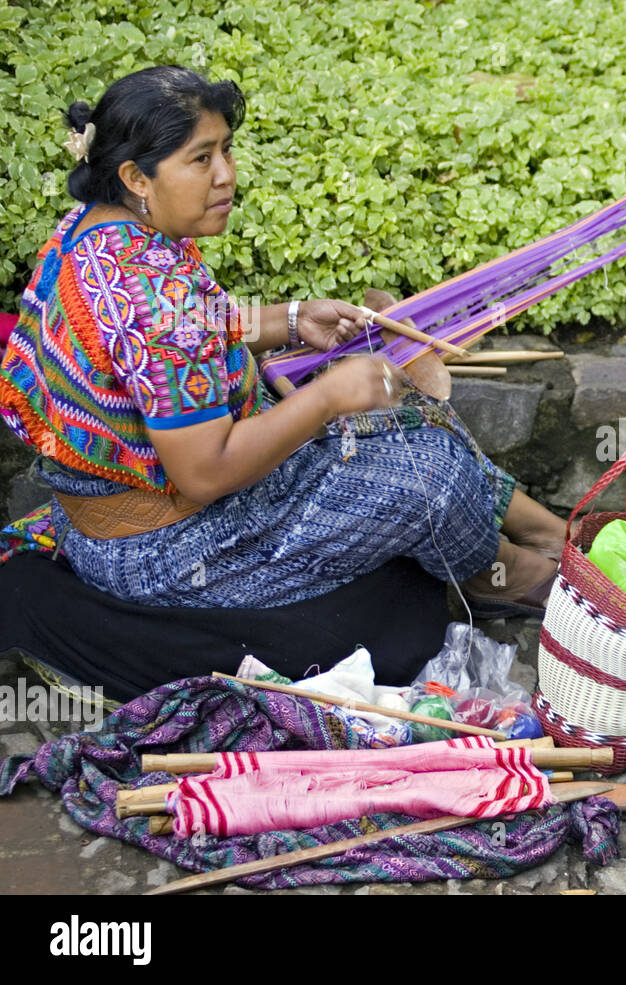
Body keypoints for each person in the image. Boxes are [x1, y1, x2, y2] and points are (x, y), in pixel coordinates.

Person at [0, 66, 563, 679]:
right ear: (138, 176)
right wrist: (326, 399)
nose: (226, 175)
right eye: (201, 159)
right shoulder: (148, 298)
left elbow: (192, 324)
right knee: (429, 477)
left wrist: (290, 321)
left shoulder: (98, 230)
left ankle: (544, 536)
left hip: (121, 519)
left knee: (409, 414)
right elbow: (205, 471)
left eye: (226, 150)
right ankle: (500, 573)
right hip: (169, 551)